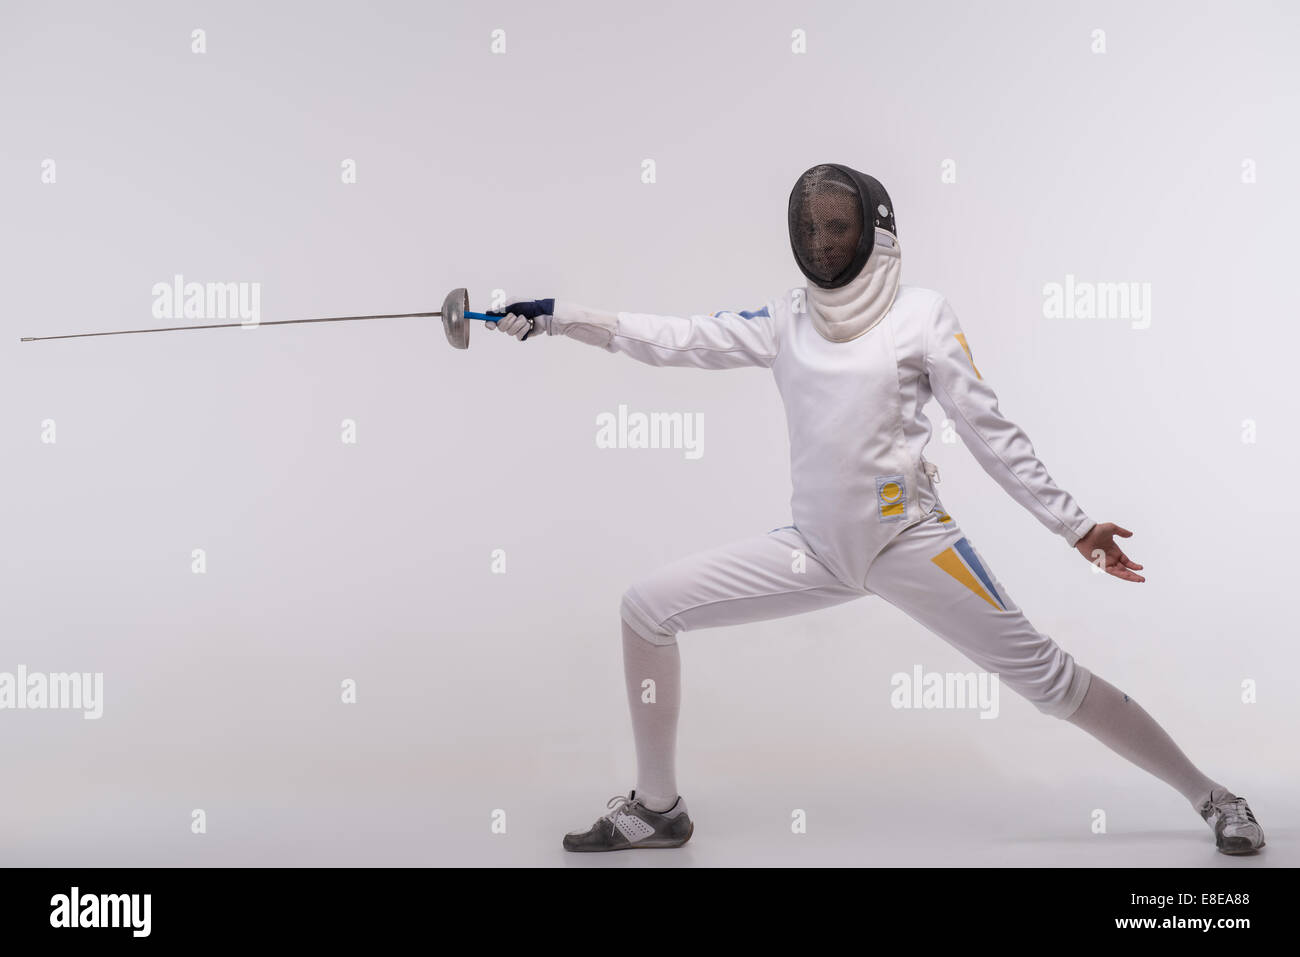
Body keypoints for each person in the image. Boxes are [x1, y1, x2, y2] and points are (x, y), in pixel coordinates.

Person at [486, 163, 1265, 857]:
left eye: (838, 225)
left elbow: (989, 431)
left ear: (874, 229)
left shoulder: (922, 314)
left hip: (911, 543)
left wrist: (1073, 526)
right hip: (814, 548)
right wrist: (561, 316)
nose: (822, 242)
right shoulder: (786, 317)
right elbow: (680, 338)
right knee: (645, 608)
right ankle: (658, 809)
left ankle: (1214, 795)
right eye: (810, 227)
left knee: (1052, 683)